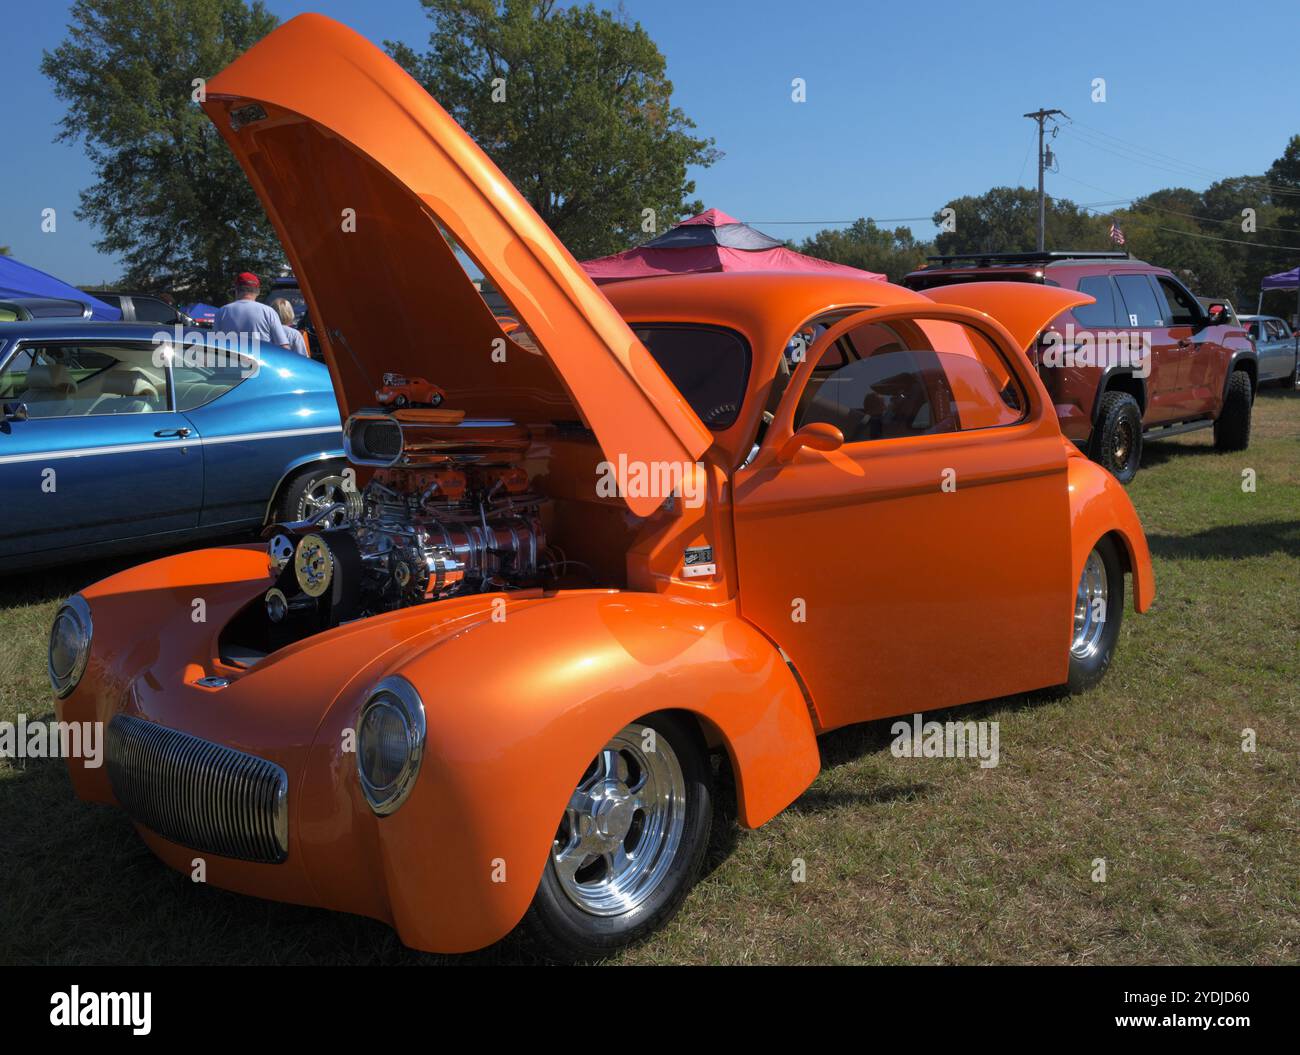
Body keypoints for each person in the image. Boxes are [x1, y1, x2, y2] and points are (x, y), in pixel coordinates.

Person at [212, 272, 290, 351]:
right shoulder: (268, 312)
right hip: (260, 362)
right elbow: (283, 347)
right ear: (258, 292)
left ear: (236, 290)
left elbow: (214, 345)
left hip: (230, 362)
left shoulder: (221, 312)